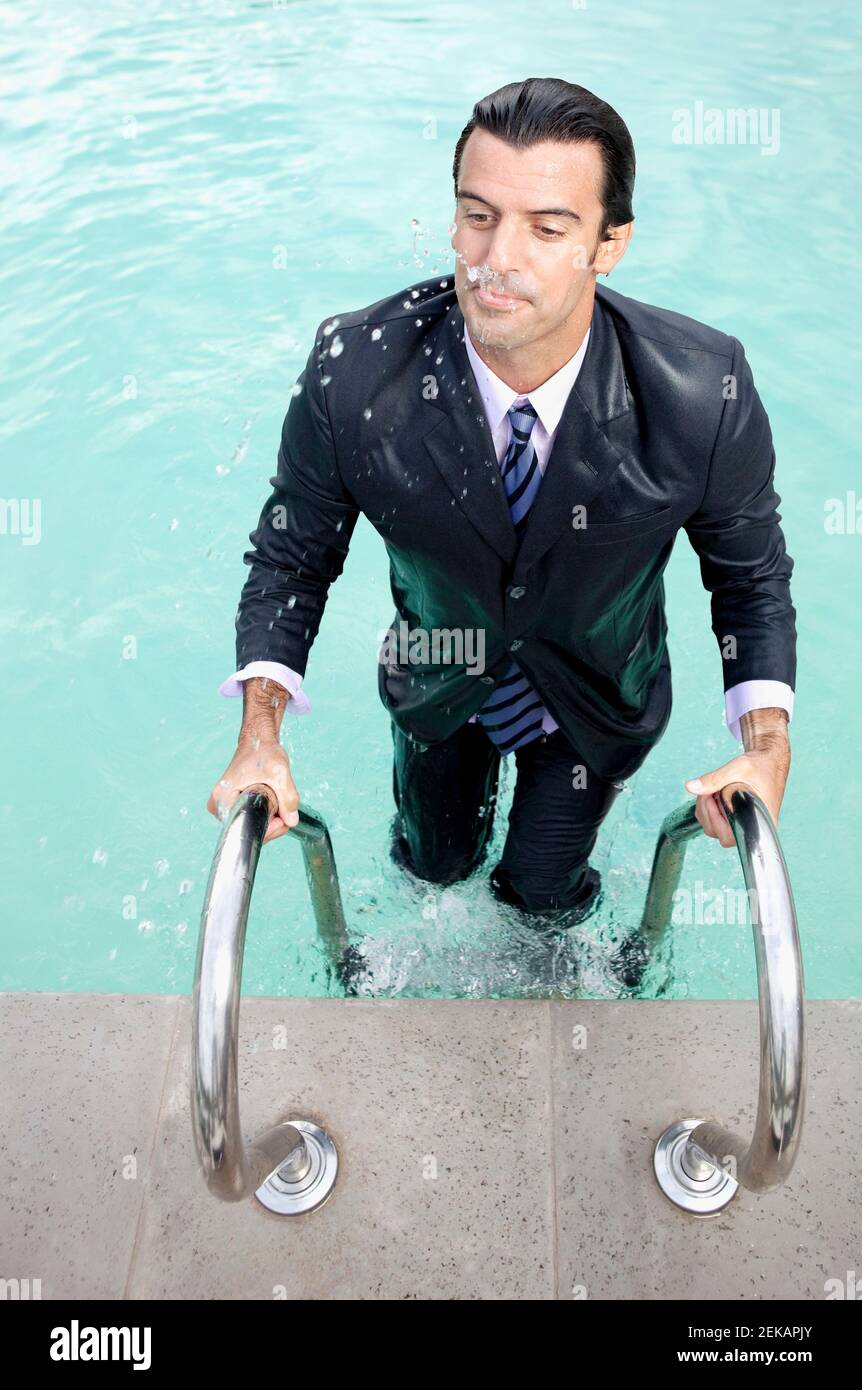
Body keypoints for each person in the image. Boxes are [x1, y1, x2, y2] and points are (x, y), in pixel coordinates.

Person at [207, 77, 795, 933]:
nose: (498, 257)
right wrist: (261, 735)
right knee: (433, 868)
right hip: (437, 669)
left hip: (596, 693)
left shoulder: (704, 392)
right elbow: (293, 557)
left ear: (609, 242)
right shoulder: (355, 373)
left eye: (548, 228)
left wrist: (765, 750)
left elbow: (751, 580)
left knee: (542, 893)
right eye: (477, 214)